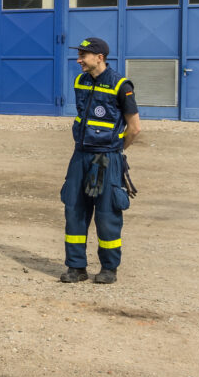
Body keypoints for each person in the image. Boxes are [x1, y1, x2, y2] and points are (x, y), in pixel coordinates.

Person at [60, 37, 141, 285]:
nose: (79, 60)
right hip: (81, 156)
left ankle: (109, 268)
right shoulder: (80, 81)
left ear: (99, 57)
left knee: (106, 214)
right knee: (75, 210)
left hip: (105, 159)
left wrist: (115, 151)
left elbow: (134, 128)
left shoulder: (120, 85)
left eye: (83, 55)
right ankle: (76, 267)